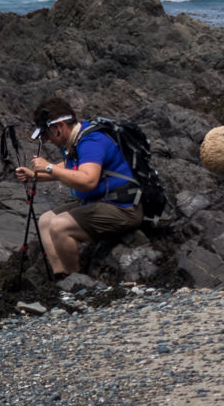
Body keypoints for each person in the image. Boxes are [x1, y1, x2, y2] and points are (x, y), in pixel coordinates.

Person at [14, 96, 143, 278]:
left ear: (59, 127)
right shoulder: (76, 139)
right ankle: (60, 278)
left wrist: (48, 167)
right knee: (45, 221)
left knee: (59, 226)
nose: (47, 139)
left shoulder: (91, 141)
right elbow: (69, 167)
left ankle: (76, 283)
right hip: (101, 200)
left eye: (46, 133)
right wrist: (34, 175)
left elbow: (88, 180)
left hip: (123, 208)